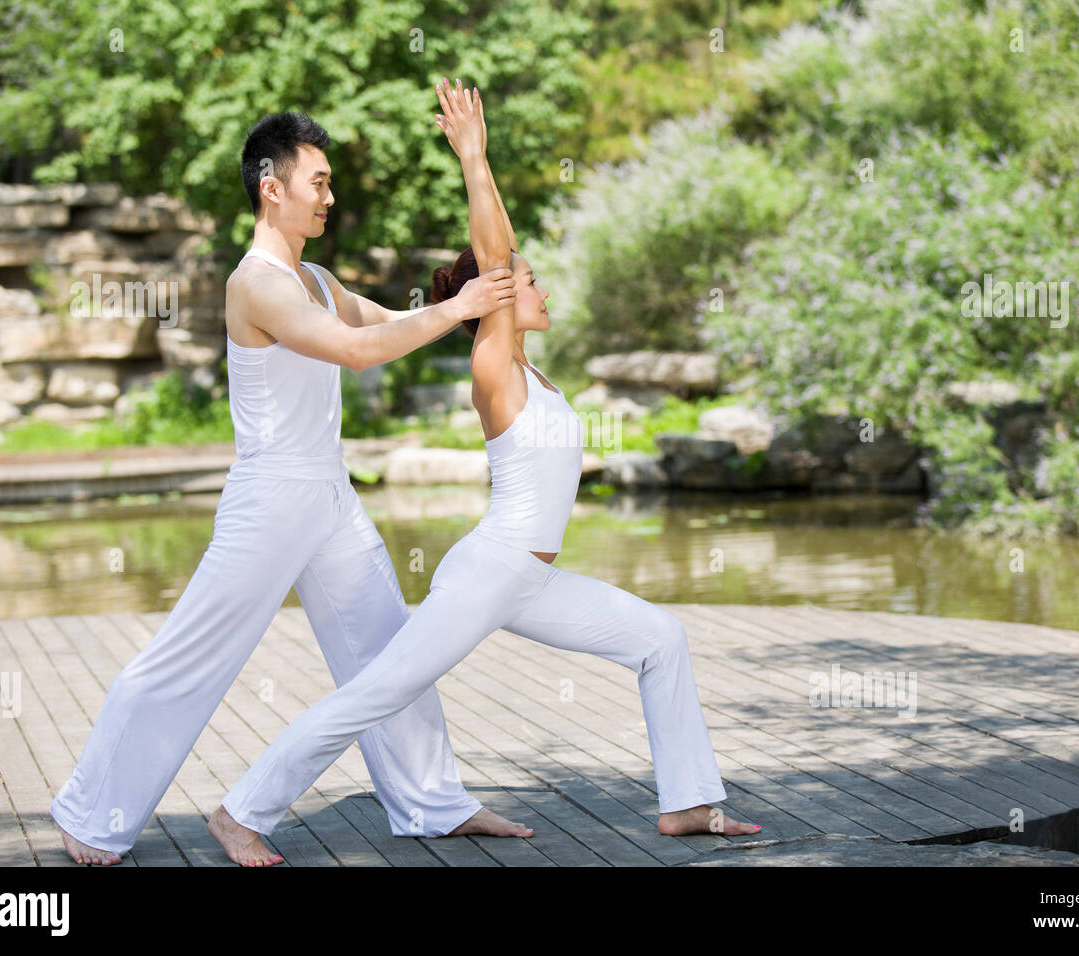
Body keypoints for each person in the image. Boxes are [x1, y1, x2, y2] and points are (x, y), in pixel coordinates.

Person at [207, 80, 759, 866]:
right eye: (526, 279)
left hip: (532, 581)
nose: (537, 286)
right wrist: (474, 155)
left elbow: (502, 263)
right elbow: (495, 255)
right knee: (378, 691)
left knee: (661, 638)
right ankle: (241, 811)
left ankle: (690, 805)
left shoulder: (534, 372)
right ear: (497, 295)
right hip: (488, 571)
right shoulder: (494, 361)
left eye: (528, 278)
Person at [50, 110, 530, 866]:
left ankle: (436, 805)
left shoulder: (315, 279)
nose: (329, 196)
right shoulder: (257, 284)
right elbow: (356, 350)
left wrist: (465, 310)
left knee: (387, 651)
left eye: (330, 182)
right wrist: (457, 308)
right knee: (191, 656)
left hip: (328, 494)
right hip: (270, 497)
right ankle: (92, 815)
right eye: (319, 181)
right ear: (271, 189)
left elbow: (386, 322)